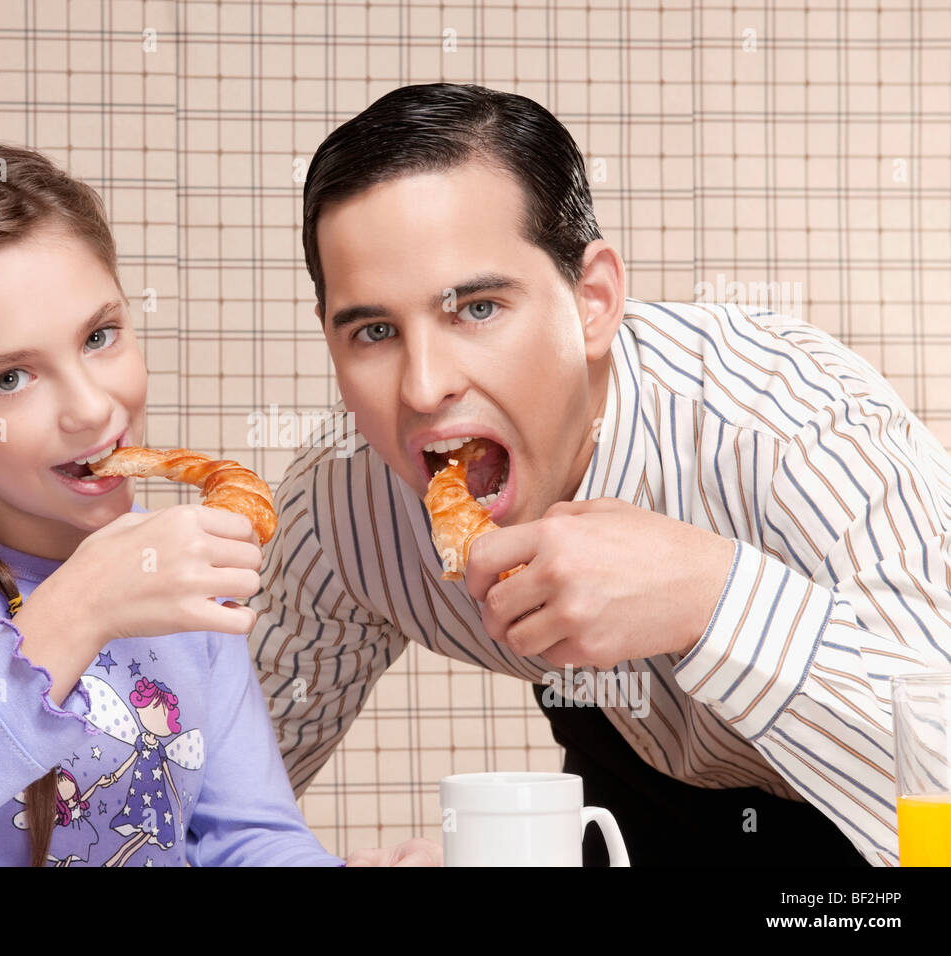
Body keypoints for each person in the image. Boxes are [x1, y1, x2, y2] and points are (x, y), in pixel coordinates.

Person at [247, 83, 951, 867]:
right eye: (374, 331)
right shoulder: (344, 508)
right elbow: (209, 807)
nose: (422, 388)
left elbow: (943, 771)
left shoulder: (794, 428)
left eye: (476, 309)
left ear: (593, 300)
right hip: (636, 814)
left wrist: (714, 599)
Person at [0, 142, 358, 866]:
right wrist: (72, 616)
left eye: (100, 335)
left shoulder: (180, 575)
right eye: (10, 378)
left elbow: (249, 839)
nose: (92, 408)